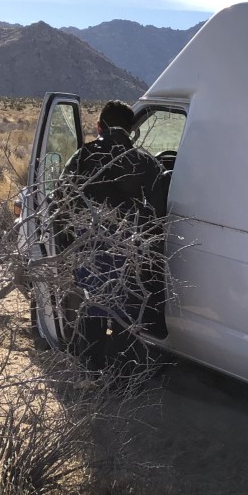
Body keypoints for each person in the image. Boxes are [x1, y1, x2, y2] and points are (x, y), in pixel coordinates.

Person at [57, 100, 163, 370]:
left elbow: (62, 199)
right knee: (125, 314)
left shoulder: (82, 156)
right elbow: (157, 213)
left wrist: (65, 242)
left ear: (99, 126)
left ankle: (90, 373)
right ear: (132, 130)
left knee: (91, 309)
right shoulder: (146, 163)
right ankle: (120, 377)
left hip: (89, 247)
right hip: (129, 250)